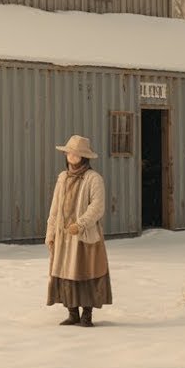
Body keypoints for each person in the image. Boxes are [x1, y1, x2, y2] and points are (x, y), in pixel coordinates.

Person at [45, 134, 112, 327]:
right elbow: (55, 207)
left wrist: (81, 224)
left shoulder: (93, 178)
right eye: (69, 153)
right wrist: (51, 234)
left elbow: (97, 206)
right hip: (64, 236)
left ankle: (86, 316)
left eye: (76, 154)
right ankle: (72, 313)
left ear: (84, 156)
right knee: (66, 273)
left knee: (85, 272)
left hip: (85, 237)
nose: (72, 156)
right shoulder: (63, 177)